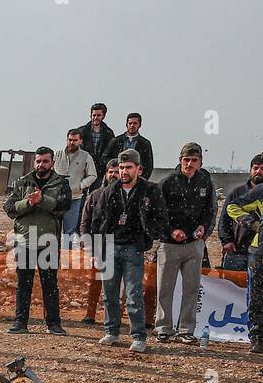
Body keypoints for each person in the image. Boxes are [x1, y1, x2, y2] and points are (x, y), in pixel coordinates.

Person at [88, 149, 168, 354]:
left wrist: (148, 237)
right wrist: (98, 247)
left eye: (128, 167)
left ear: (139, 169)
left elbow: (160, 217)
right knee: (110, 293)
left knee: (133, 294)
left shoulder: (150, 190)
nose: (124, 171)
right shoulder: (110, 190)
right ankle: (111, 331)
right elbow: (97, 221)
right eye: (121, 167)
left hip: (133, 248)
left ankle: (138, 336)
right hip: (110, 246)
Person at [4, 146, 71, 335]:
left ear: (52, 163)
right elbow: (9, 208)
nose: (41, 165)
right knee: (23, 284)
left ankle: (53, 324)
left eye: (45, 161)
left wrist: (43, 200)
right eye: (38, 161)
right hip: (25, 241)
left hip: (48, 241)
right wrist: (28, 202)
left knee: (49, 284)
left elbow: (64, 206)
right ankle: (20, 322)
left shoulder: (60, 184)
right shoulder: (22, 181)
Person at [155, 142, 215, 344]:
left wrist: (203, 229)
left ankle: (186, 329)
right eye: (186, 159)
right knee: (165, 288)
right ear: (180, 160)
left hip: (194, 244)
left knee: (191, 289)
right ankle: (163, 327)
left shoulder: (205, 183)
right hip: (169, 244)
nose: (189, 164)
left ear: (200, 162)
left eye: (194, 160)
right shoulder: (167, 183)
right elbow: (157, 213)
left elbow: (209, 211)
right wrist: (171, 230)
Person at [78, 158, 121, 323]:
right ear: (106, 174)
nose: (114, 175)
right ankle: (90, 314)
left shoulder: (127, 195)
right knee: (95, 282)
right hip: (99, 245)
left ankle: (115, 317)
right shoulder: (95, 195)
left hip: (120, 244)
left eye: (117, 172)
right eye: (111, 172)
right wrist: (87, 243)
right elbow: (85, 221)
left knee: (120, 285)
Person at [225, 183, 263, 353]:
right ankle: (257, 338)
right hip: (260, 251)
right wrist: (252, 223)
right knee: (257, 297)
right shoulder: (261, 190)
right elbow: (233, 207)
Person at [217, 153, 263, 273]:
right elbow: (224, 220)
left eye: (262, 168)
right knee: (230, 287)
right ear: (250, 170)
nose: (258, 171)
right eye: (256, 168)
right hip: (236, 250)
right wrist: (226, 241)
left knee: (255, 288)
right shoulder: (237, 193)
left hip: (259, 252)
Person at [57, 128, 97, 244]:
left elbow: (93, 175)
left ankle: (67, 256)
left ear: (81, 141)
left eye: (75, 140)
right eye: (70, 140)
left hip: (74, 198)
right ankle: (53, 256)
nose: (72, 142)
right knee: (54, 230)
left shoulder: (86, 156)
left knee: (69, 231)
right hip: (56, 198)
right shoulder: (58, 154)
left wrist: (81, 185)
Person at [103, 112, 154, 177]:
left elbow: (149, 166)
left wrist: (142, 180)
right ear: (126, 124)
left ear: (139, 125)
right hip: (117, 177)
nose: (132, 125)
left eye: (135, 123)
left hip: (136, 178)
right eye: (130, 123)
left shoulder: (145, 143)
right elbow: (105, 158)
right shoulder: (115, 141)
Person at [78, 103, 114, 178]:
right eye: (94, 115)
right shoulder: (81, 131)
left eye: (98, 115)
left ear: (103, 116)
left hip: (101, 171)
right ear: (90, 115)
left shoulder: (109, 133)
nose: (96, 118)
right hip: (83, 169)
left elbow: (111, 152)